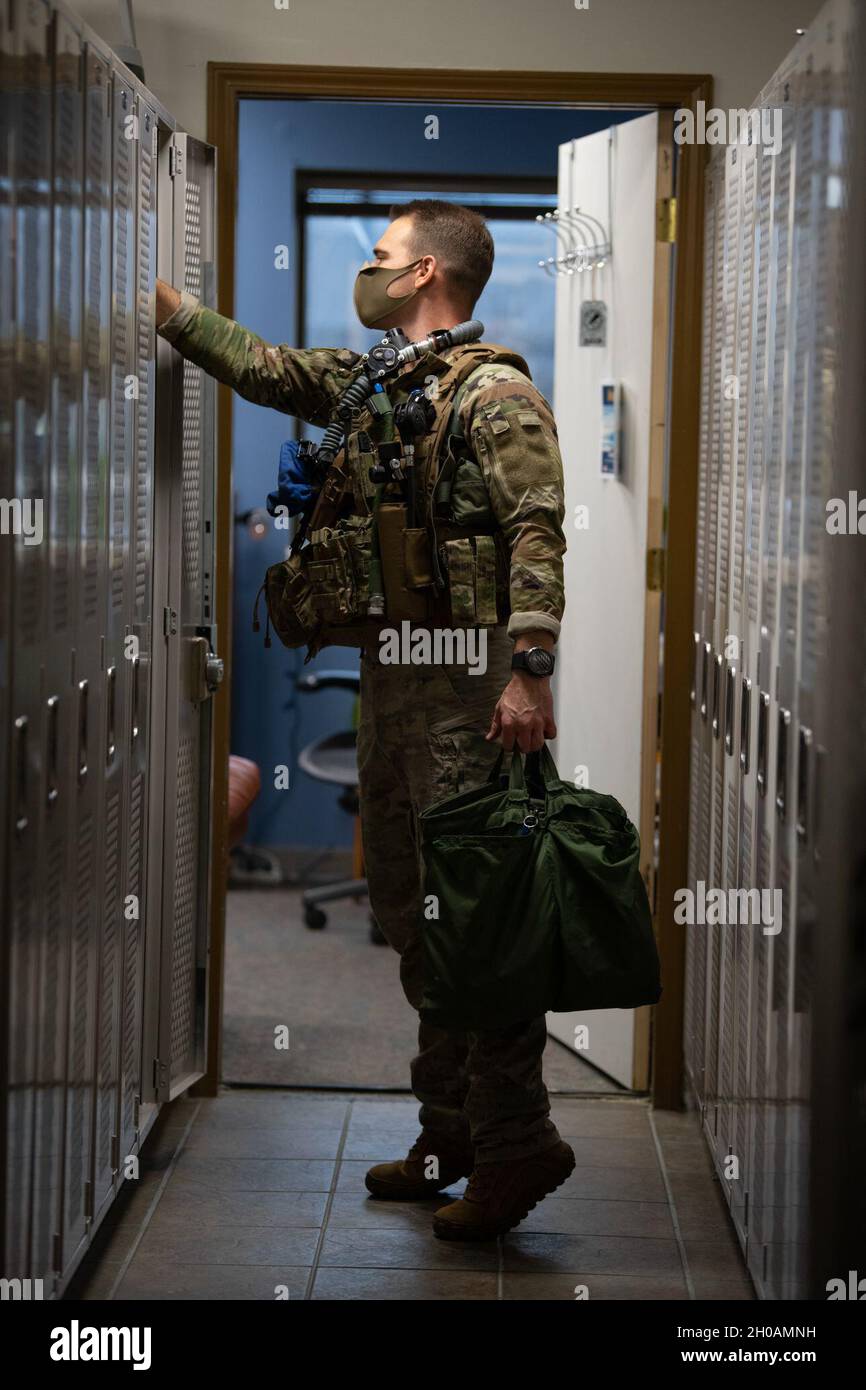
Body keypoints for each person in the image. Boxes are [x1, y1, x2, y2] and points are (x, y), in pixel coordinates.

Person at [155, 198, 576, 1241]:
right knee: (408, 908)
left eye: (382, 255)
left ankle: (517, 1142)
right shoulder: (382, 383)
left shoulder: (495, 395)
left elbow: (536, 528)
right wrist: (168, 311)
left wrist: (530, 672)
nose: (369, 269)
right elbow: (266, 368)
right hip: (397, 685)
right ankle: (451, 1130)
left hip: (475, 699)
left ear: (425, 271)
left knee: (475, 920)